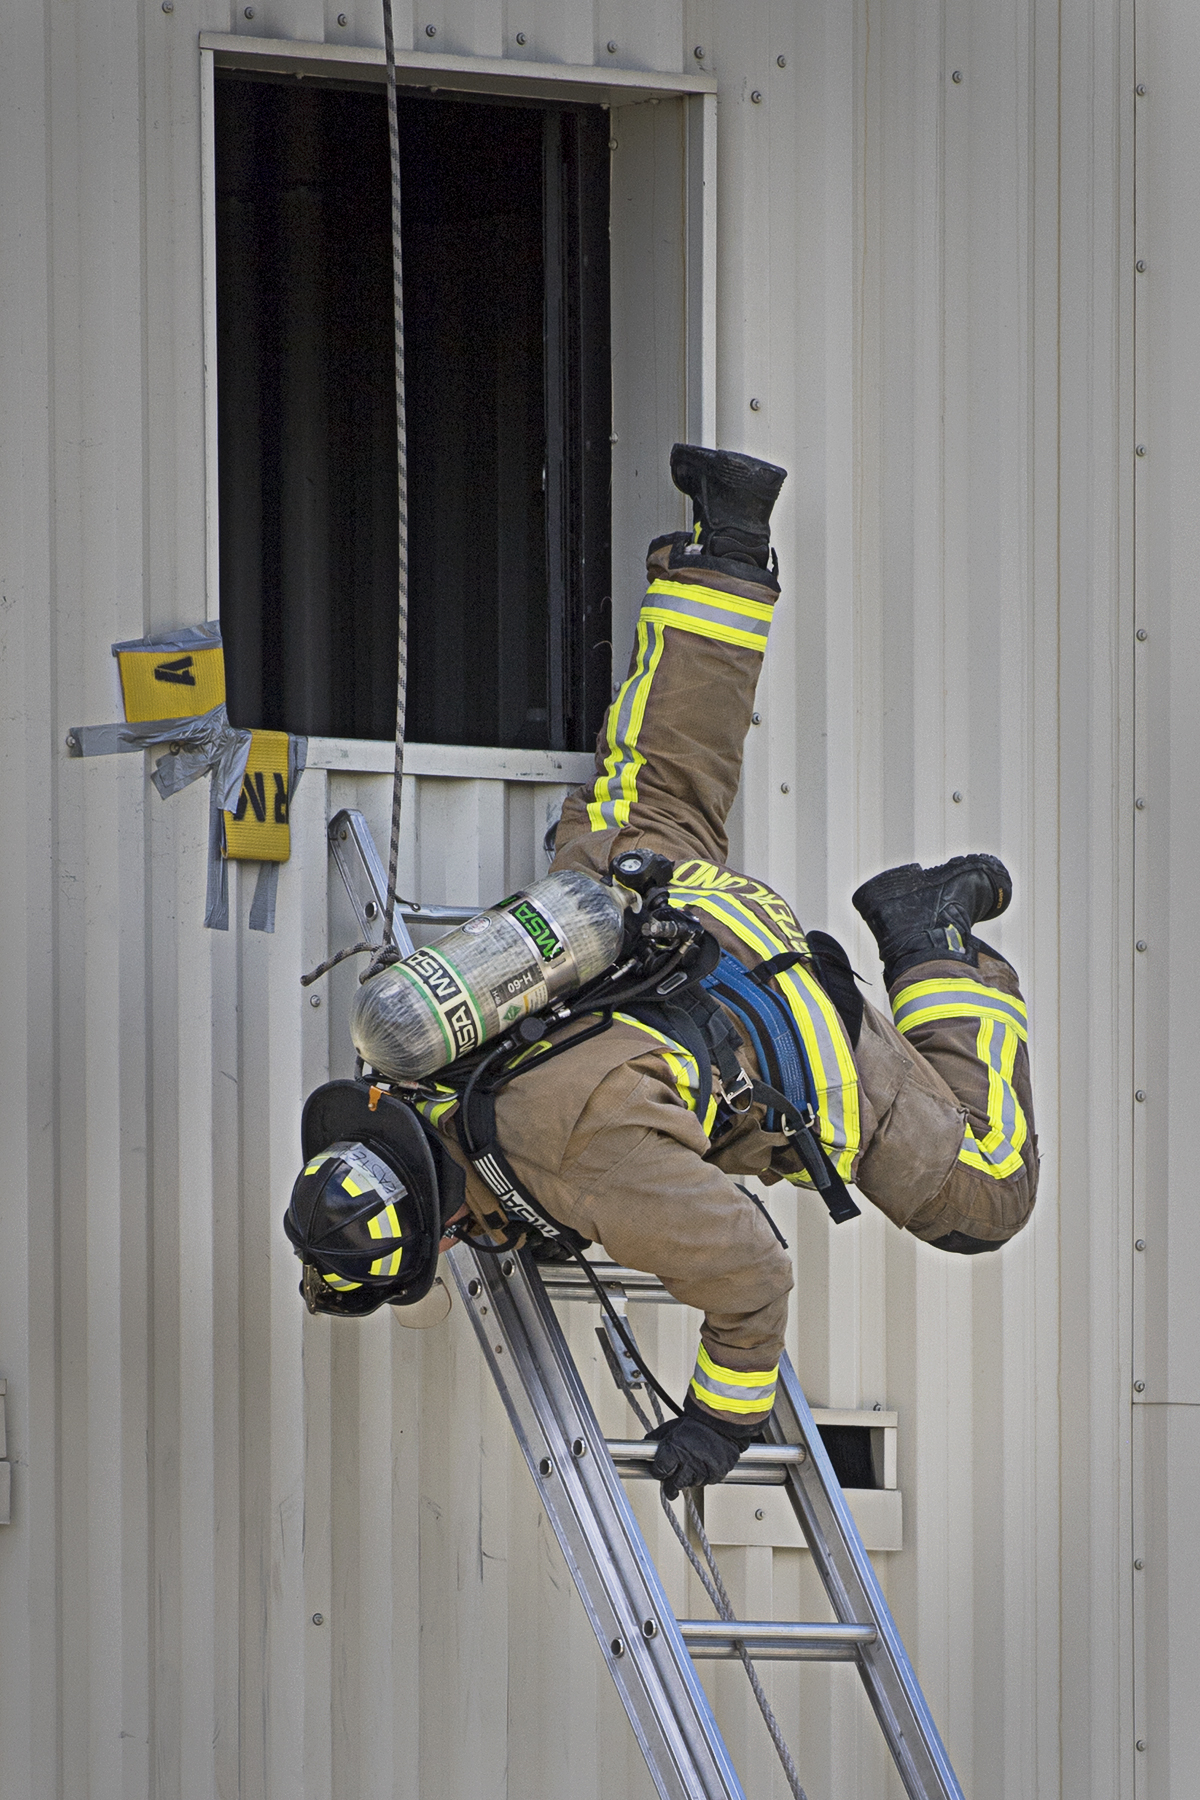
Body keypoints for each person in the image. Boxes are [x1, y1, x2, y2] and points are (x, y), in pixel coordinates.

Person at [287, 444, 1037, 1499]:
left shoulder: (587, 1163)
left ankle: (932, 938)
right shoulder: (420, 1051)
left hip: (790, 1008)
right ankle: (726, 543)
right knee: (656, 775)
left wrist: (718, 1423)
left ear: (443, 1222)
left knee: (985, 1193)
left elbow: (751, 1273)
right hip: (655, 905)